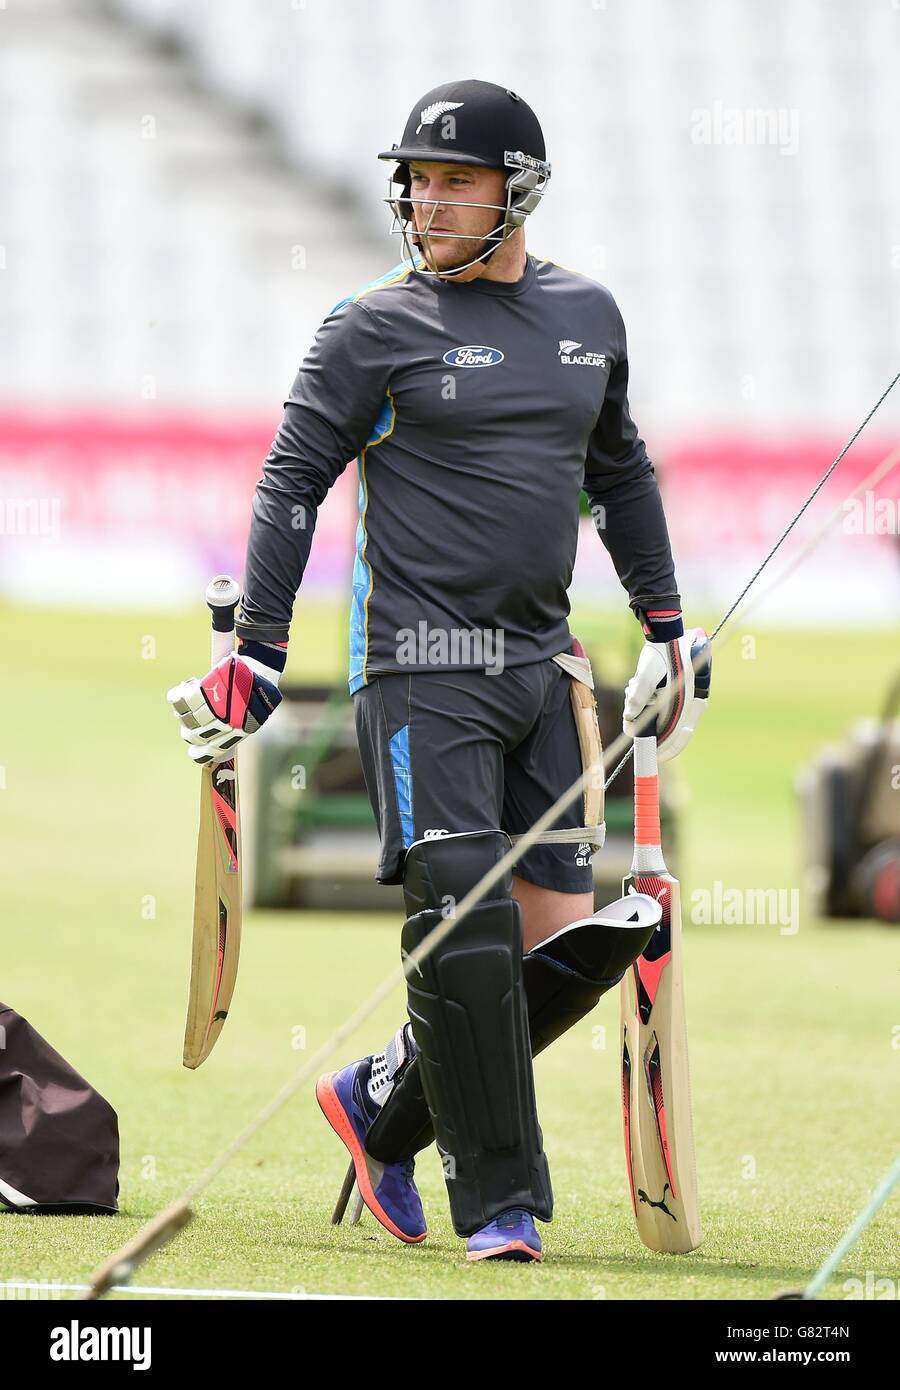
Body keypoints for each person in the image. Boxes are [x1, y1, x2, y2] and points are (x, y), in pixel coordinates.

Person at [166, 79, 709, 1263]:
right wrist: (258, 651)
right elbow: (289, 482)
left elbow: (620, 475)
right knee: (460, 923)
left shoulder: (591, 316)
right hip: (419, 671)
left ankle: (377, 1102)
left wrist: (668, 630)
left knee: (576, 940)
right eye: (416, 177)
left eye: (455, 179)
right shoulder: (371, 324)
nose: (425, 197)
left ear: (519, 192)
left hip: (545, 673)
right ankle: (503, 1205)